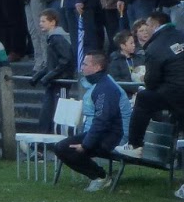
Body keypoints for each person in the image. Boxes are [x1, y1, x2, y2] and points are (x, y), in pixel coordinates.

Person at [114, 10, 184, 200]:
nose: (146, 31)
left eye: (147, 26)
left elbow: (151, 82)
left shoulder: (155, 46)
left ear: (154, 24)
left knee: (144, 98)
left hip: (175, 93)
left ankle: (135, 144)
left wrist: (145, 79)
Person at [53, 51, 131, 191]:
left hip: (113, 137)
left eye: (85, 64)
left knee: (64, 148)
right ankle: (99, 176)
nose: (81, 67)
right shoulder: (100, 84)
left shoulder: (106, 88)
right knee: (62, 147)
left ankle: (100, 177)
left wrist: (86, 144)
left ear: (97, 67)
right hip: (105, 134)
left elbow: (103, 120)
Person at [28, 9, 75, 132]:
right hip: (54, 81)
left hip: (61, 82)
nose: (40, 24)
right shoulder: (52, 38)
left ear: (53, 22)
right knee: (47, 112)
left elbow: (66, 60)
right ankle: (43, 138)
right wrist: (39, 75)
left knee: (58, 112)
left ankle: (59, 137)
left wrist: (49, 76)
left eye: (43, 21)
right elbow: (52, 63)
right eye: (40, 21)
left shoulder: (58, 38)